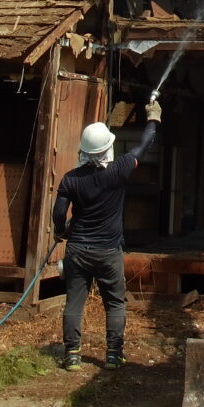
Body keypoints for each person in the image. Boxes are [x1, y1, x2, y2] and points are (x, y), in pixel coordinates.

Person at [53, 97, 162, 371]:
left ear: (84, 150)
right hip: (108, 251)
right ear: (108, 148)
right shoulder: (119, 171)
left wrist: (60, 231)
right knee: (114, 303)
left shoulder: (70, 179)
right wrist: (153, 118)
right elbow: (143, 146)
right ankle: (113, 355)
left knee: (74, 303)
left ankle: (72, 355)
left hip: (78, 250)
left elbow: (58, 213)